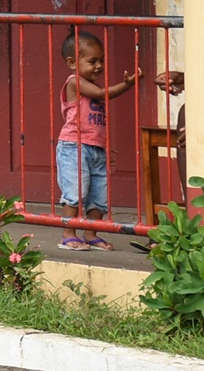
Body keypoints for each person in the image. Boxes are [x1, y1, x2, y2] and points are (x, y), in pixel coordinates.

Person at [57, 29, 140, 251]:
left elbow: (98, 122)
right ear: (72, 62)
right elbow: (104, 94)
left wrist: (107, 147)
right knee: (75, 192)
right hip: (74, 146)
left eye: (102, 60)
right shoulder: (74, 82)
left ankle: (91, 233)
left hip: (96, 147)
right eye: (92, 61)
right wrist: (127, 85)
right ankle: (68, 233)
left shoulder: (91, 86)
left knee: (99, 196)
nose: (99, 66)